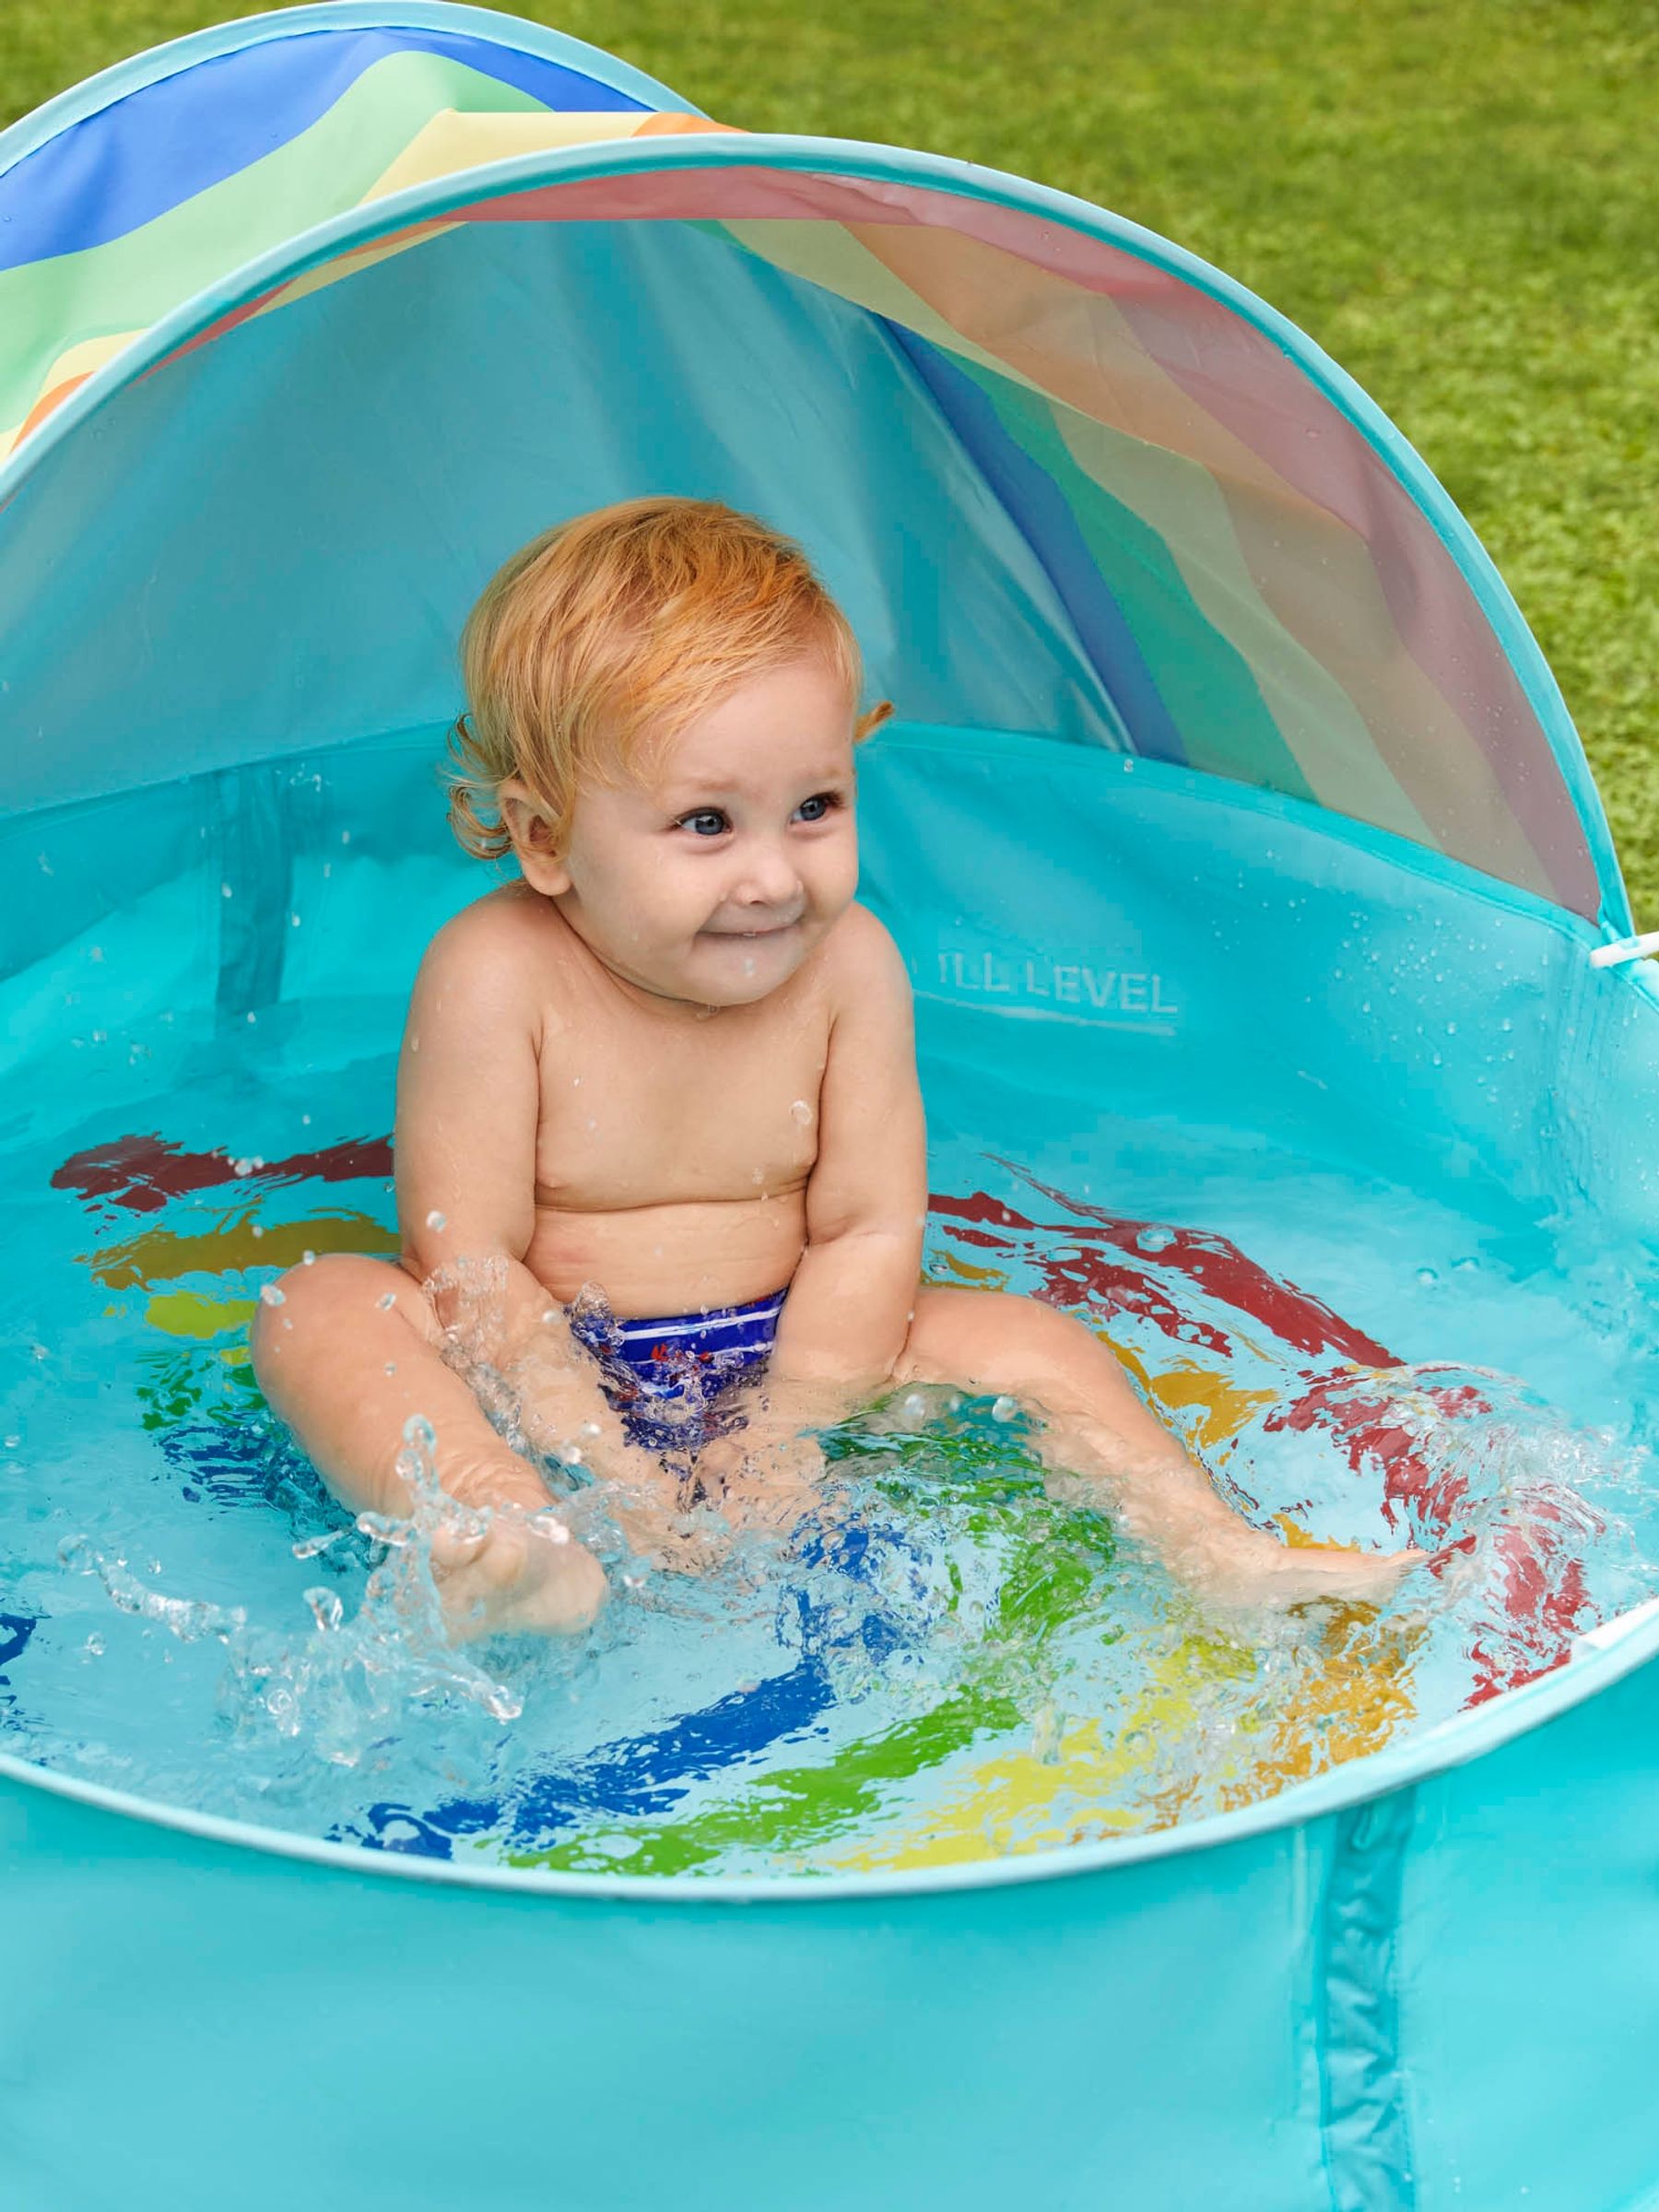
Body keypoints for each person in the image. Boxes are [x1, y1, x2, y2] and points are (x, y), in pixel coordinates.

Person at [251, 495, 1423, 1639]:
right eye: (707, 824)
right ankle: (504, 1530)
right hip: (555, 1359)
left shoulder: (850, 967)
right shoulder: (496, 973)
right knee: (324, 1309)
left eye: (814, 806)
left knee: (1033, 1343)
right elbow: (468, 1254)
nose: (773, 877)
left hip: (792, 1348)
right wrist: (585, 1448)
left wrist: (791, 1429)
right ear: (547, 837)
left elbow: (866, 1231)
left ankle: (1201, 1543)